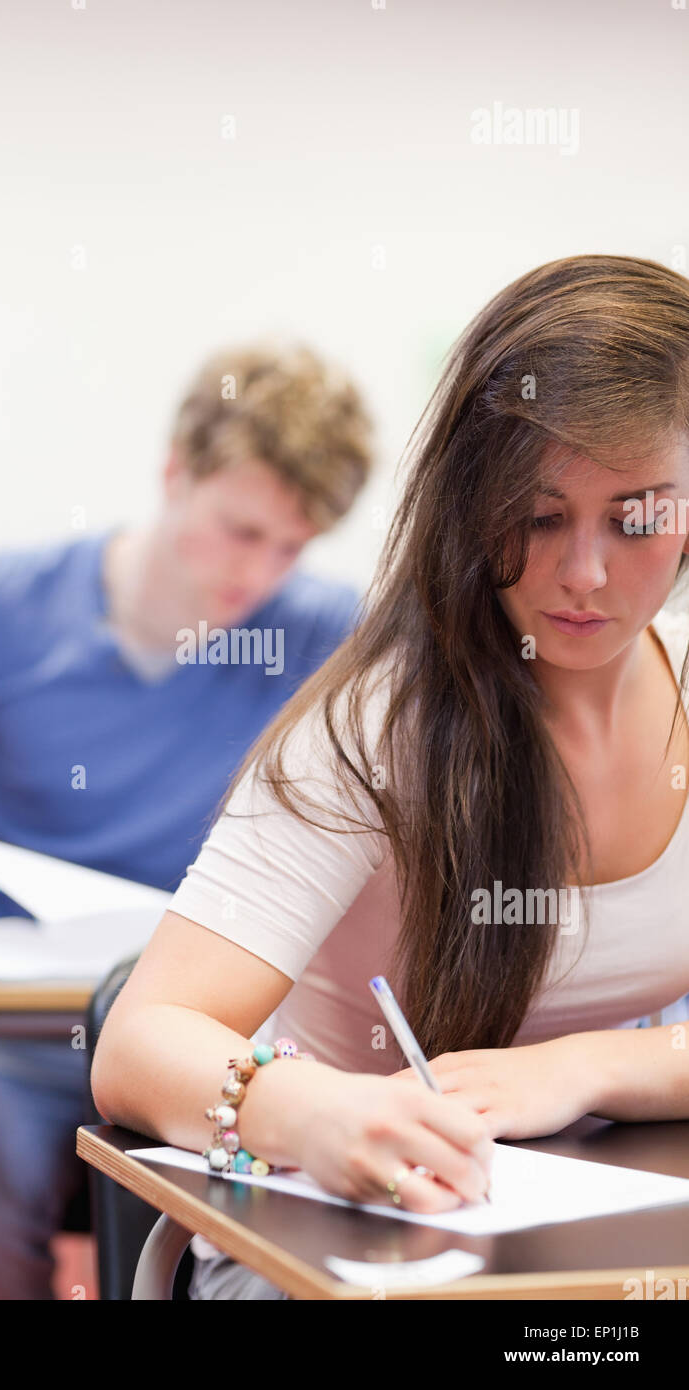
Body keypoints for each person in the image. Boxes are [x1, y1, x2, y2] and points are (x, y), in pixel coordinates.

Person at [91, 255, 689, 1300]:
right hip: (334, 1244)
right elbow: (140, 1044)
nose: (585, 573)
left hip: (585, 1236)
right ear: (472, 500)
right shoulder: (372, 730)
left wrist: (581, 1068)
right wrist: (309, 1109)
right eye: (540, 516)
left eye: (637, 518)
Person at [0, 342, 375, 1298]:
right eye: (241, 530)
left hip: (214, 1043)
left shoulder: (332, 636)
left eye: (293, 546)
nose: (263, 572)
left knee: (300, 1243)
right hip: (0, 1037)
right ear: (174, 469)